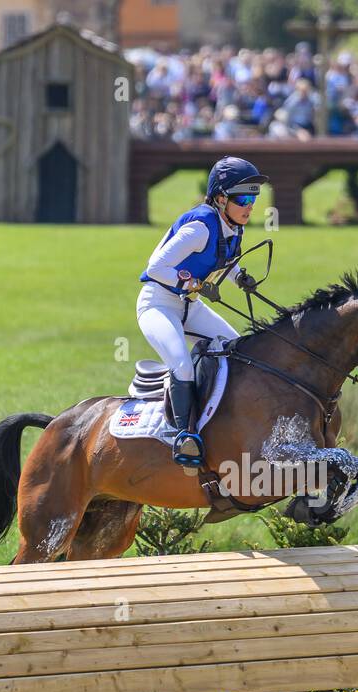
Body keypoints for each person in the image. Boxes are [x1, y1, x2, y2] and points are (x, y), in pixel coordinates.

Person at [138, 156, 269, 467]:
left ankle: (224, 418)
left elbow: (226, 257)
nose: (250, 206)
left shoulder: (232, 226)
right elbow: (155, 267)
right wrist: (192, 284)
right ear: (221, 198)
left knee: (239, 351)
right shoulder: (199, 227)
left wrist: (240, 278)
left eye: (254, 199)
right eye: (243, 199)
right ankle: (184, 436)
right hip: (158, 304)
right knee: (182, 366)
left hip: (190, 307)